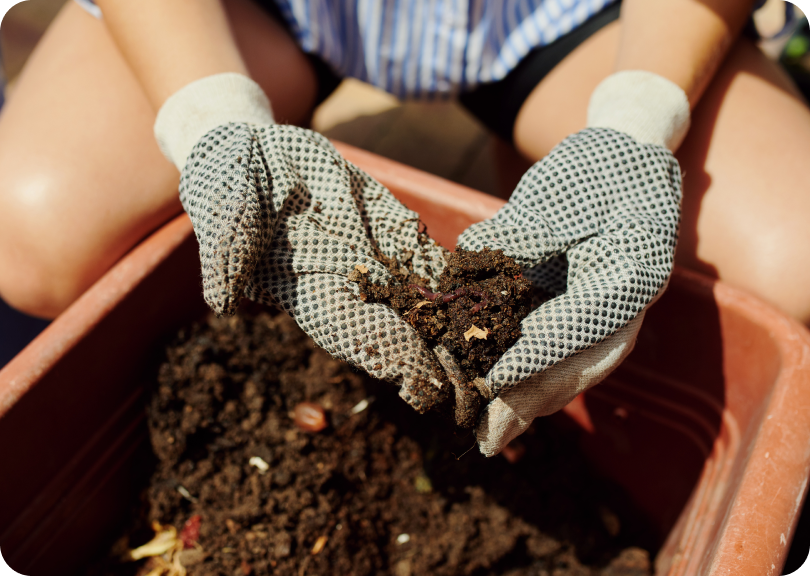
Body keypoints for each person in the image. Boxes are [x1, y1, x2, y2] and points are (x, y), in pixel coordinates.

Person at [0, 0, 808, 455]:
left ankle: (528, 138)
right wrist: (215, 119)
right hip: (273, 13)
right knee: (30, 234)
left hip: (566, 19)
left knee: (796, 255)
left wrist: (638, 121)